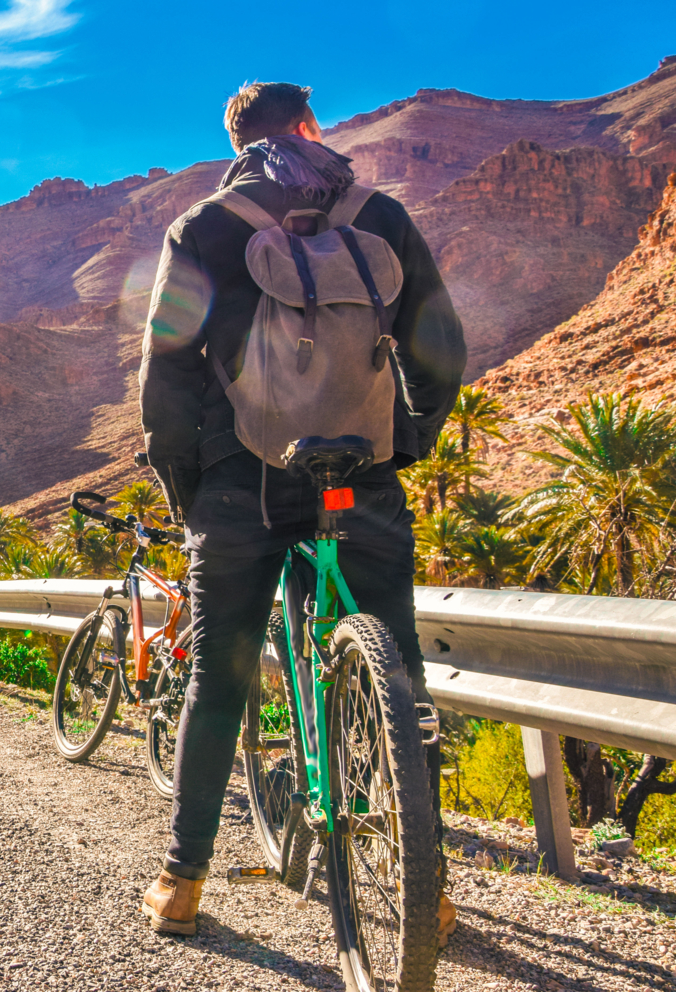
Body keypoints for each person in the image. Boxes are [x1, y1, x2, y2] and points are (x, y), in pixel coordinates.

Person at [136, 82, 466, 938]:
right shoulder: (378, 214)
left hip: (240, 482)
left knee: (220, 680)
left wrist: (187, 489)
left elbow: (166, 370)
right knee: (399, 673)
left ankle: (181, 881)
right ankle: (426, 894)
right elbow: (441, 343)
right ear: (313, 129)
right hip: (360, 477)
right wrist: (408, 440)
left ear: (234, 139)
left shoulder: (205, 226)